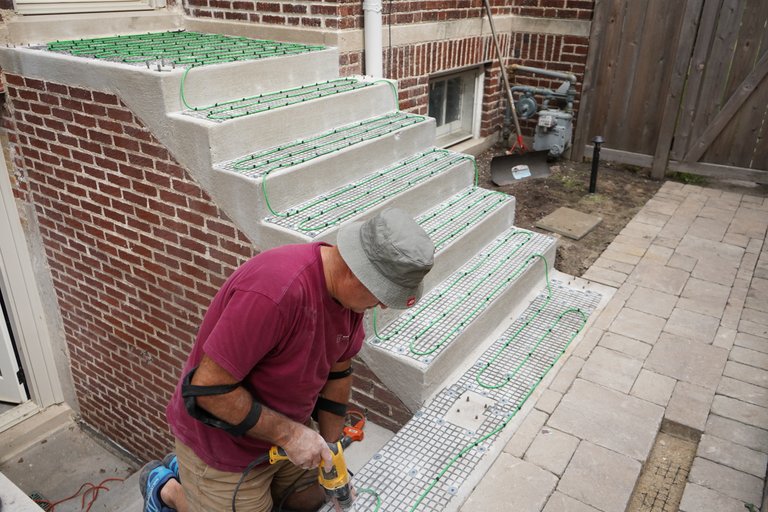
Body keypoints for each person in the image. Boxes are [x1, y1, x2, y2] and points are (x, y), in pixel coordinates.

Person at [140, 208, 435, 512]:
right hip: (223, 446)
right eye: (381, 295)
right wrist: (292, 435)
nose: (383, 305)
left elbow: (338, 371)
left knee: (311, 500)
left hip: (282, 430)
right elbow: (208, 392)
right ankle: (168, 488)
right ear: (354, 270)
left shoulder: (349, 300)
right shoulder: (274, 292)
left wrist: (332, 450)